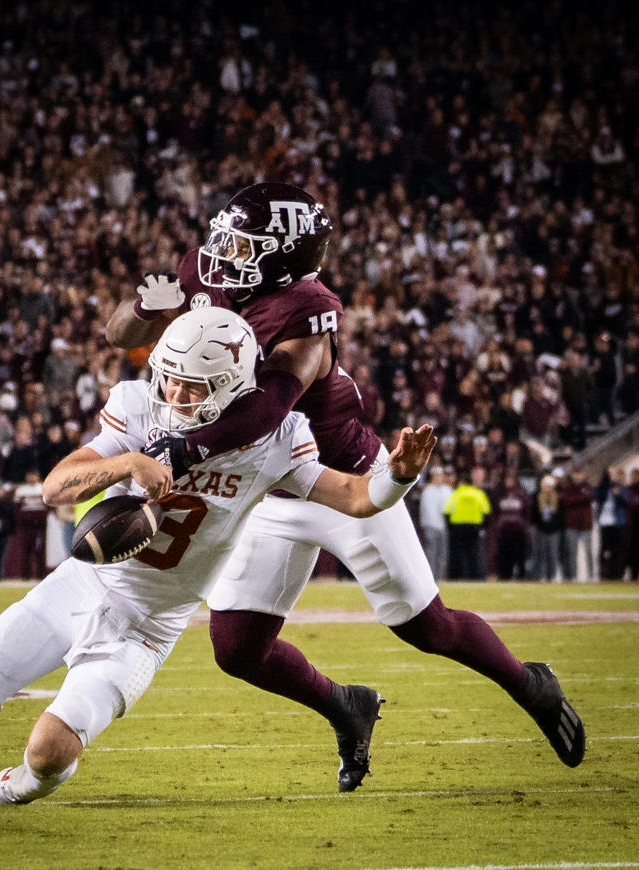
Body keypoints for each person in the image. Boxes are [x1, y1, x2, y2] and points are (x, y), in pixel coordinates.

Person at [106, 182, 586, 774]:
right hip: (269, 487)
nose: (223, 253)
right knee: (237, 651)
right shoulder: (206, 272)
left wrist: (184, 450)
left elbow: (268, 409)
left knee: (427, 627)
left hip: (344, 480)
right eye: (226, 237)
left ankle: (529, 682)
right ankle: (345, 706)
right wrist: (145, 311)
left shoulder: (306, 313)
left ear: (283, 257)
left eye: (244, 244)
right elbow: (120, 335)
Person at [0, 307, 437, 805]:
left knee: (47, 753)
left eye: (195, 386)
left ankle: (23, 782)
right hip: (81, 584)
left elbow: (354, 498)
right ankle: (4, 687)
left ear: (234, 386)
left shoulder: (273, 438)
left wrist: (398, 476)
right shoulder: (137, 406)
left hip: (149, 623)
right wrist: (127, 462)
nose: (176, 393)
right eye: (170, 378)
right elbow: (55, 489)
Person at [443, 467, 492, 579]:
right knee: (473, 554)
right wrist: (481, 527)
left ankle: (456, 576)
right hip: (474, 527)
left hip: (457, 527)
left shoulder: (457, 493)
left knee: (457, 554)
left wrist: (451, 527)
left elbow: (447, 511)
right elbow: (486, 512)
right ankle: (474, 577)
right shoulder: (479, 494)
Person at [418, 466, 453, 580]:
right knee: (431, 553)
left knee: (442, 554)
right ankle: (431, 577)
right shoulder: (427, 491)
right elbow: (426, 510)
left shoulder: (447, 490)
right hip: (431, 526)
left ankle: (441, 577)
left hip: (443, 526)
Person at [530, 475, 563, 582]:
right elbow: (533, 515)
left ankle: (552, 576)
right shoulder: (537, 497)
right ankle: (542, 575)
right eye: (546, 486)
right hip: (541, 529)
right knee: (542, 554)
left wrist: (557, 526)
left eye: (550, 486)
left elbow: (561, 515)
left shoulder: (557, 498)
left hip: (554, 530)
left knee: (553, 554)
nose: (547, 488)